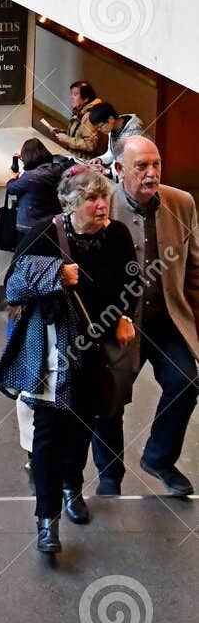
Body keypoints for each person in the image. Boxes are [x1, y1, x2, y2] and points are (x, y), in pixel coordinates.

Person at [0, 166, 136, 556]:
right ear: (71, 203)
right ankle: (46, 520)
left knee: (83, 427)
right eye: (91, 199)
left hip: (97, 352)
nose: (101, 204)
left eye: (103, 196)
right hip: (55, 354)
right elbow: (13, 286)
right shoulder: (45, 233)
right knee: (48, 437)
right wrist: (56, 273)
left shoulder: (117, 236)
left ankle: (73, 486)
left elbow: (131, 281)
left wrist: (123, 315)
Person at [91, 137, 199, 498]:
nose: (151, 173)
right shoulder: (102, 207)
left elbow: (194, 269)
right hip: (118, 320)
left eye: (156, 164)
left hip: (167, 318)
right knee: (110, 398)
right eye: (141, 166)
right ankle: (109, 476)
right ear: (119, 170)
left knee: (185, 381)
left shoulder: (181, 203)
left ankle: (159, 458)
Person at [4, 139, 67, 230]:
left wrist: (12, 178)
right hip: (52, 224)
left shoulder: (30, 177)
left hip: (30, 226)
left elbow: (11, 189)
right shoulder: (57, 171)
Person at [41, 80, 108, 159]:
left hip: (81, 160)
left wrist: (67, 139)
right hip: (73, 155)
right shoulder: (80, 111)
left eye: (75, 94)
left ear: (86, 98)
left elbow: (90, 145)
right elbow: (79, 134)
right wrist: (61, 132)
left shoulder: (88, 116)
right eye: (71, 94)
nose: (71, 97)